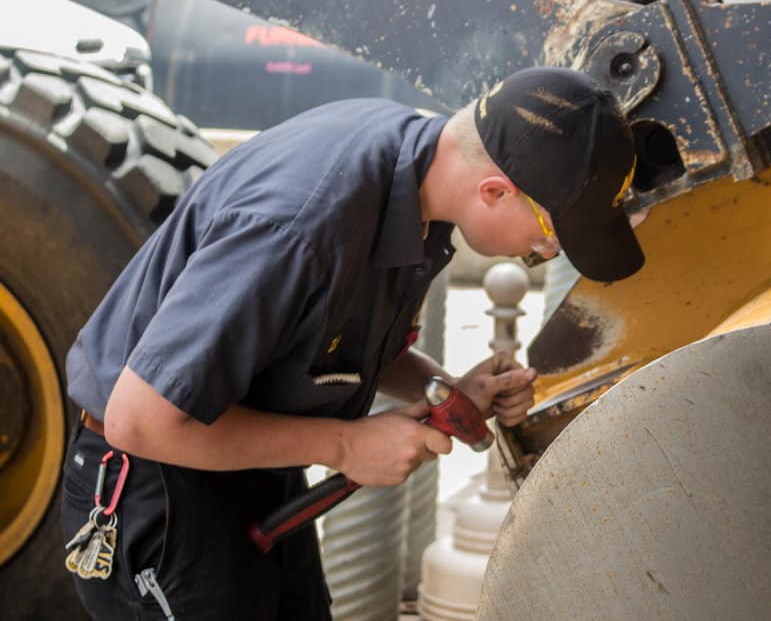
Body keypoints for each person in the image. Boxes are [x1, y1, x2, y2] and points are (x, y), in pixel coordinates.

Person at [60, 66, 644, 619]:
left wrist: (447, 389)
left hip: (252, 466)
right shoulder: (299, 227)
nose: (548, 253)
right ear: (494, 191)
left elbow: (322, 336)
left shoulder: (415, 178)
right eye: (551, 235)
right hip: (159, 480)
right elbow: (141, 420)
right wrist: (344, 446)